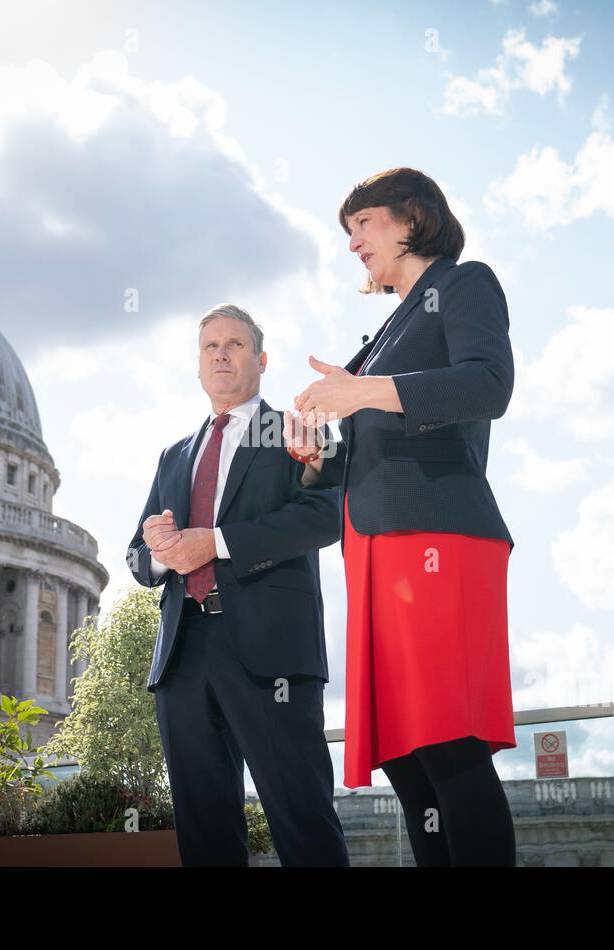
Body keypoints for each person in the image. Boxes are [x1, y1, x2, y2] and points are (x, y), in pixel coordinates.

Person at [286, 167, 519, 866]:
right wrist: (310, 452)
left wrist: (363, 391)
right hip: (377, 550)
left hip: (437, 539)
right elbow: (355, 453)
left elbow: (488, 385)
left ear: (411, 217)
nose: (353, 242)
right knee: (406, 758)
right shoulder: (383, 332)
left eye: (363, 223)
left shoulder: (466, 283)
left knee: (448, 743)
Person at [127, 303, 349, 867]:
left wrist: (217, 542)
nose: (221, 354)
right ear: (198, 366)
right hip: (183, 658)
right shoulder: (175, 454)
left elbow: (326, 515)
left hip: (271, 651)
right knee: (204, 835)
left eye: (235, 344)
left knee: (303, 822)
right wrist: (158, 551)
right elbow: (136, 555)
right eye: (210, 347)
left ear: (262, 359)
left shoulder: (296, 430)